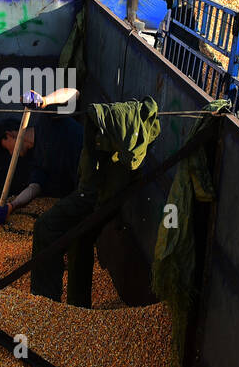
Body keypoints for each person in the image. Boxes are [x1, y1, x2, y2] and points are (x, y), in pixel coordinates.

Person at [30, 97, 160, 307]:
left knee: (46, 228)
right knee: (80, 240)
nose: (12, 152)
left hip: (93, 195)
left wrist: (44, 100)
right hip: (90, 190)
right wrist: (10, 206)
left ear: (12, 134)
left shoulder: (46, 122)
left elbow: (73, 92)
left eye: (7, 146)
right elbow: (34, 187)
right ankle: (78, 306)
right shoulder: (36, 161)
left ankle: (45, 302)